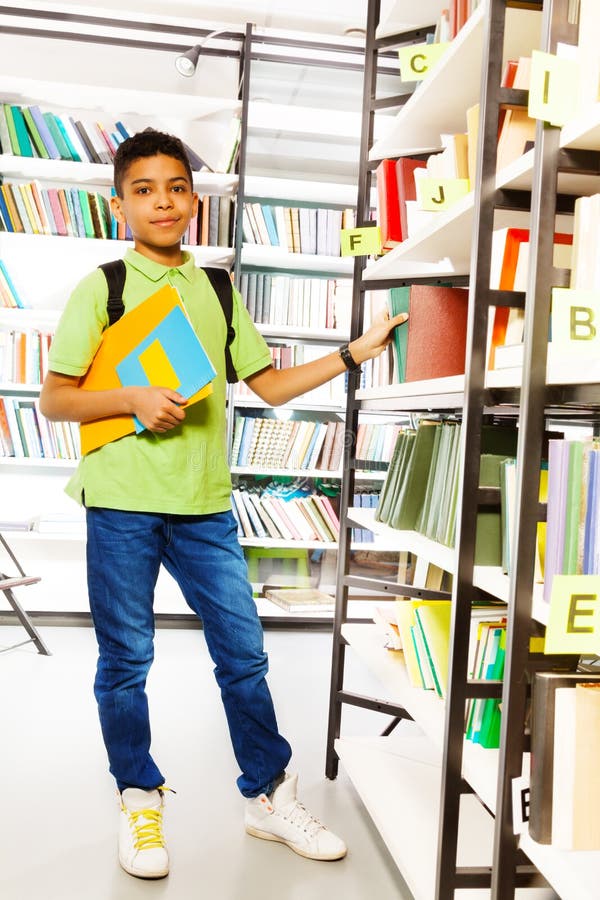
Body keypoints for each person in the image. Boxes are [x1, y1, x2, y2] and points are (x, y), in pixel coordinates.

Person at [39, 128, 407, 880]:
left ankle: (267, 794)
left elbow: (265, 387)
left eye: (175, 187)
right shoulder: (101, 288)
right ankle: (139, 796)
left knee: (243, 653)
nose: (162, 201)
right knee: (126, 661)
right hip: (121, 503)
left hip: (205, 505)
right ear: (120, 205)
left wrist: (352, 354)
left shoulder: (216, 289)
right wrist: (134, 397)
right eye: (143, 190)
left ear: (194, 200)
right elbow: (55, 399)